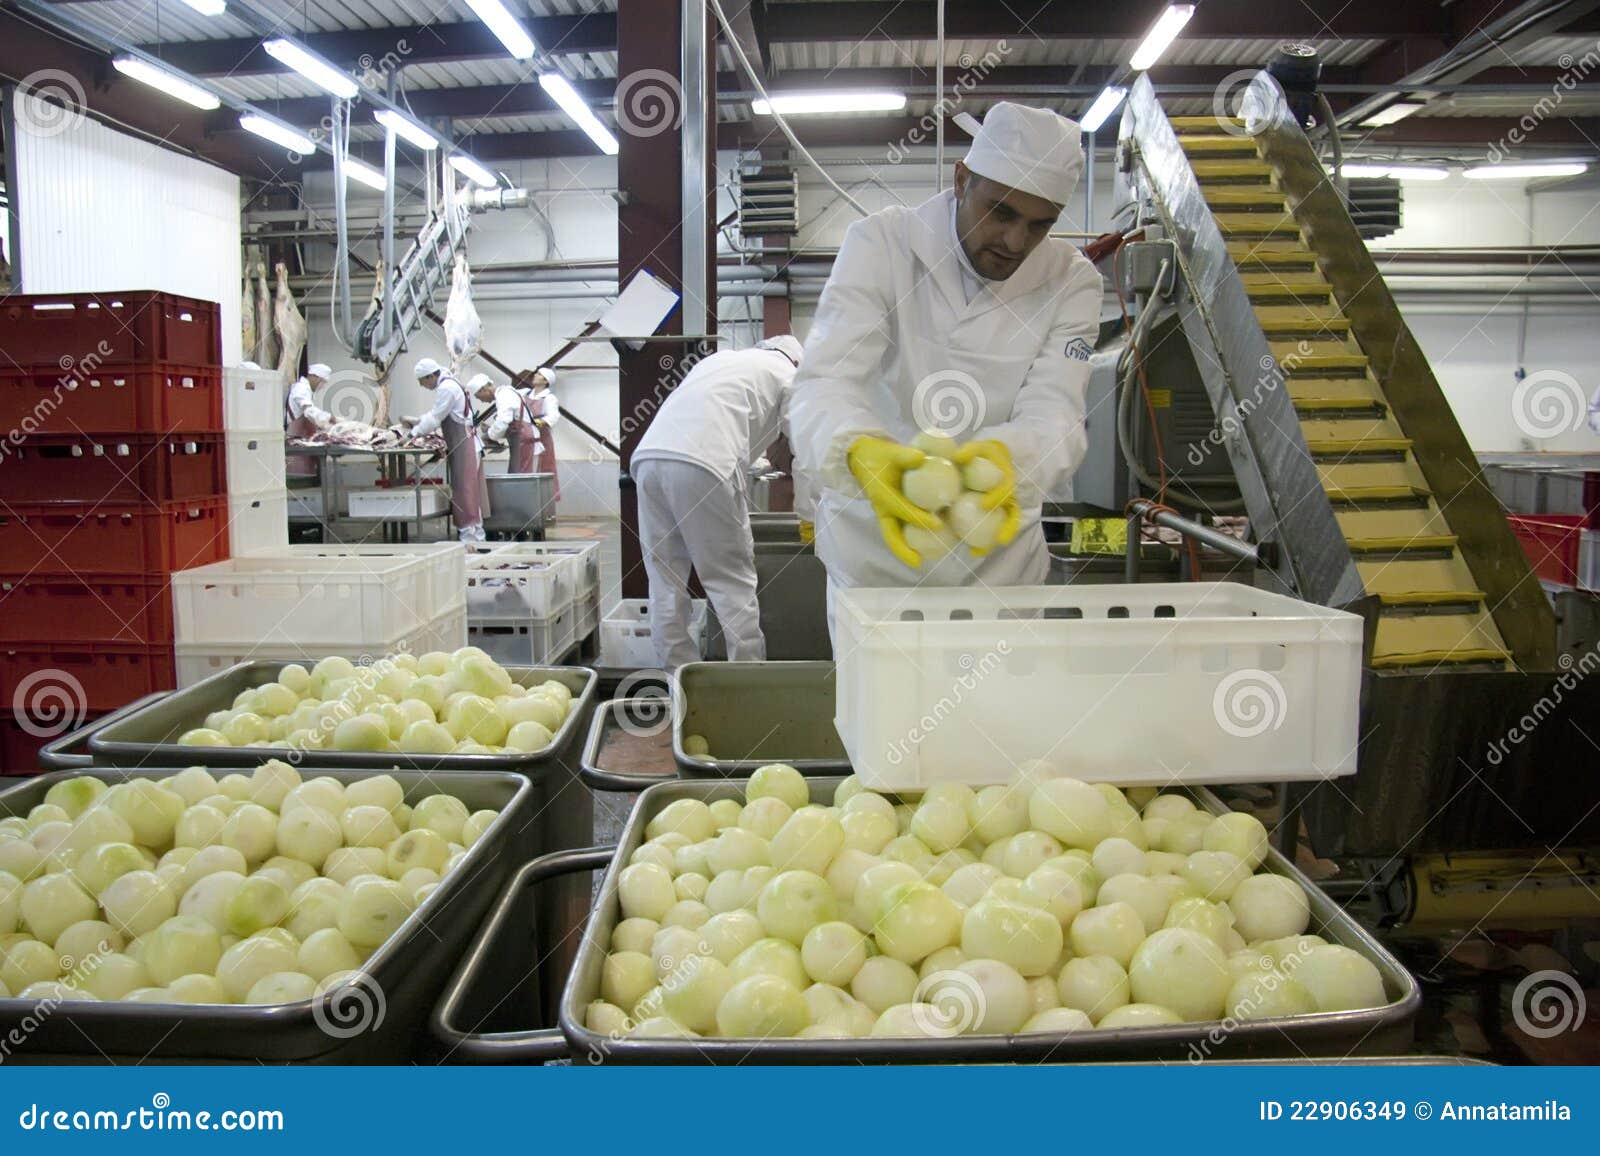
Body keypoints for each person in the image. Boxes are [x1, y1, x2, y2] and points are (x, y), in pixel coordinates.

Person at [788, 101, 1102, 597]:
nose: (1016, 242)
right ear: (962, 180)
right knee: (879, 677)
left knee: (1006, 676)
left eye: (1041, 224)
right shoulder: (882, 244)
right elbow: (826, 381)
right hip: (874, 558)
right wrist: (857, 451)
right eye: (1001, 212)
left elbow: (1058, 411)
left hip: (1000, 568)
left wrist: (1011, 457)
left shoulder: (1073, 281)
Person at [633, 335, 803, 669]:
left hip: (649, 458)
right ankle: (747, 680)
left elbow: (715, 418)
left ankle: (678, 682)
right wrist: (811, 509)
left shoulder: (720, 362)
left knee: (665, 580)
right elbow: (805, 448)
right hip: (706, 464)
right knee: (730, 582)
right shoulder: (790, 375)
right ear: (797, 361)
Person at [403, 357, 484, 543]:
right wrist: (418, 421)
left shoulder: (446, 388)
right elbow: (436, 413)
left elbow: (435, 417)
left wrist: (412, 434)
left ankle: (470, 538)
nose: (422, 386)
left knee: (464, 489)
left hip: (464, 443)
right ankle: (475, 535)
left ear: (431, 376)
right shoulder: (450, 383)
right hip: (463, 442)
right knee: (467, 488)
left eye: (422, 381)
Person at [474, 372, 541, 472]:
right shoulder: (506, 393)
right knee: (517, 476)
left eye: (479, 397)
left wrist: (488, 435)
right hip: (521, 443)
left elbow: (502, 424)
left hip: (525, 443)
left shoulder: (504, 395)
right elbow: (510, 424)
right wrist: (491, 430)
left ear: (484, 390)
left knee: (521, 480)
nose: (481, 401)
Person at [284, 361, 333, 478]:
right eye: (322, 382)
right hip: (295, 442)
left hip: (300, 442)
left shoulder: (306, 390)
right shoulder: (300, 389)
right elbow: (309, 410)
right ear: (314, 377)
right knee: (299, 476)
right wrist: (331, 418)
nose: (322, 386)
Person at [521, 366, 562, 499]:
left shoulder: (549, 398)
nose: (535, 376)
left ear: (545, 381)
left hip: (542, 437)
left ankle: (544, 500)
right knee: (525, 467)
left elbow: (553, 416)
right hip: (526, 437)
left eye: (539, 375)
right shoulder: (526, 394)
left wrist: (539, 422)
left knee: (544, 467)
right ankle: (526, 498)